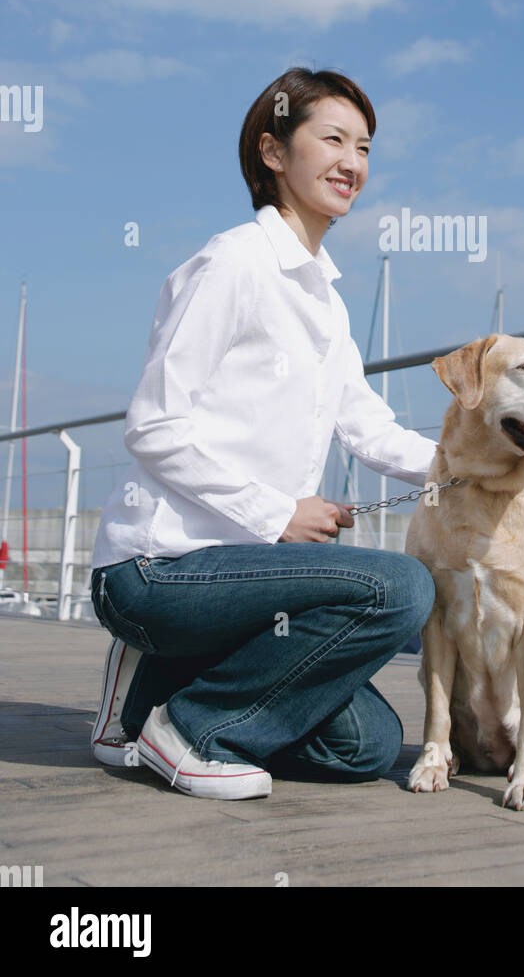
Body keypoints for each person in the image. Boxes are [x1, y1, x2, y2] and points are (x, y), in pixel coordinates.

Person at [89, 68, 438, 799]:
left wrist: (470, 462)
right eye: (333, 140)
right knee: (401, 585)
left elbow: (366, 426)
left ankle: (158, 684)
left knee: (368, 748)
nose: (353, 163)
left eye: (365, 148)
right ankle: (187, 730)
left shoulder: (325, 298)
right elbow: (154, 427)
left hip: (244, 578)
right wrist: (277, 513)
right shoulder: (234, 262)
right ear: (273, 152)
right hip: (159, 570)